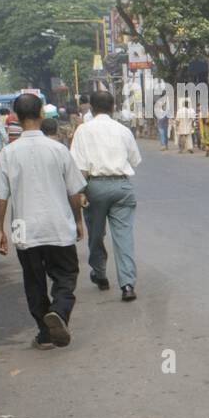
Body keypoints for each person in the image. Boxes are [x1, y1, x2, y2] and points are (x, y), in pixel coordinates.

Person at [0, 93, 87, 349]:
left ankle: (45, 334)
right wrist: (78, 220)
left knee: (33, 281)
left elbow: (0, 195)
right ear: (42, 114)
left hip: (23, 229)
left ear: (17, 118)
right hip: (58, 224)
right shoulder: (59, 150)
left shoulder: (8, 154)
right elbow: (74, 191)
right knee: (66, 275)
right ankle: (60, 311)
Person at [70, 89, 141, 301]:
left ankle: (100, 274)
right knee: (124, 237)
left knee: (96, 234)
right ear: (113, 107)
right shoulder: (123, 130)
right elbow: (134, 160)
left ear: (91, 107)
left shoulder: (83, 131)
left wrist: (80, 191)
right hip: (121, 186)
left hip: (95, 187)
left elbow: (78, 166)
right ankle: (127, 285)